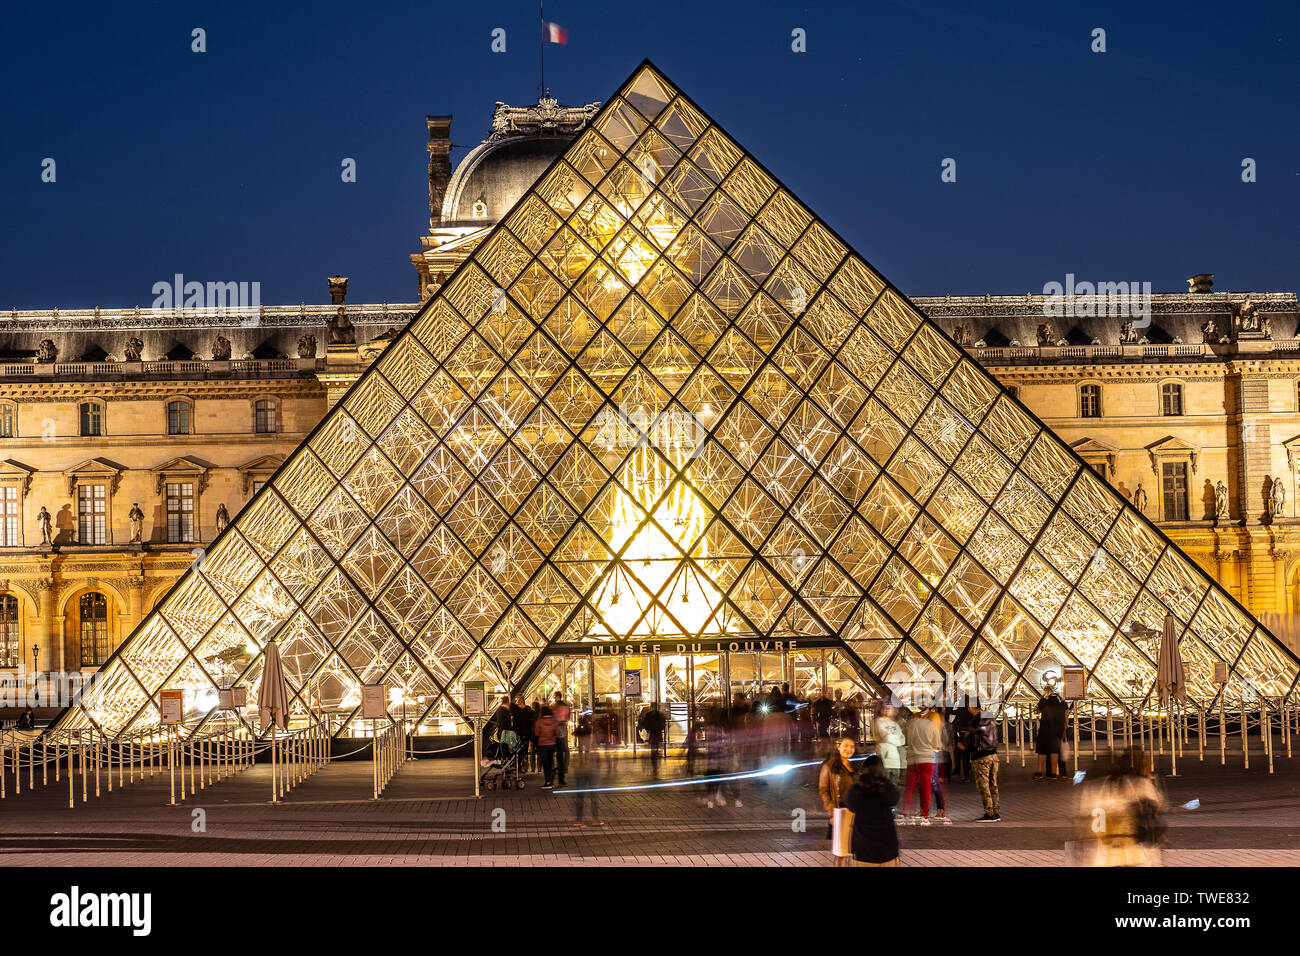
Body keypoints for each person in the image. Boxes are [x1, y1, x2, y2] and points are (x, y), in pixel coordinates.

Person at [1073, 748, 1165, 866]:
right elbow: (1155, 809)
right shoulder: (1139, 784)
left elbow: (1088, 820)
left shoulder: (1096, 789)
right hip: (1130, 850)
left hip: (1112, 851)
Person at [844, 754, 901, 866]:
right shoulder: (886, 789)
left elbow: (850, 805)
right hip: (887, 849)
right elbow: (895, 797)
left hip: (863, 849)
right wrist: (884, 780)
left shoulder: (855, 791)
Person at [818, 734, 858, 866]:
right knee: (841, 853)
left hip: (855, 813)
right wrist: (831, 813)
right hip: (840, 813)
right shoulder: (829, 766)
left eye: (852, 746)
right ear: (838, 746)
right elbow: (824, 790)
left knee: (852, 852)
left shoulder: (854, 766)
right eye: (846, 746)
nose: (849, 749)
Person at [900, 705, 942, 825]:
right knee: (926, 788)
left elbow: (905, 739)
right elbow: (937, 744)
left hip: (913, 759)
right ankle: (925, 816)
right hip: (927, 759)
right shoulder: (932, 725)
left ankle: (904, 814)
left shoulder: (910, 724)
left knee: (909, 787)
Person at [969, 704, 1001, 822]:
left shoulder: (976, 720)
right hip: (994, 755)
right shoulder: (989, 716)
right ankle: (996, 811)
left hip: (982, 755)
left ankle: (989, 813)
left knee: (983, 786)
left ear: (971, 707)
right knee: (993, 785)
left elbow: (974, 735)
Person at [1035, 685, 1069, 779]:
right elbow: (1066, 715)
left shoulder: (1044, 700)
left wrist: (1040, 700)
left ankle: (1038, 773)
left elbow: (1036, 711)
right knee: (1054, 751)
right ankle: (1053, 774)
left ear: (1046, 691)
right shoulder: (1062, 701)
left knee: (1042, 751)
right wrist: (1065, 728)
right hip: (1058, 729)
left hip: (1045, 729)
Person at [871, 701, 906, 786]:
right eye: (889, 708)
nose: (892, 710)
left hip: (896, 761)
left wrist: (889, 737)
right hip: (884, 760)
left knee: (894, 787)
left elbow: (902, 740)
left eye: (893, 708)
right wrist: (892, 738)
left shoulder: (895, 724)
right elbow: (884, 736)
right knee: (883, 786)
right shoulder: (878, 722)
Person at [534, 705, 559, 789]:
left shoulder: (539, 722)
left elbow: (537, 733)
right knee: (551, 762)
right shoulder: (554, 721)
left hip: (542, 745)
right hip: (552, 744)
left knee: (545, 764)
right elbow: (557, 732)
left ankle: (548, 781)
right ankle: (551, 780)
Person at [637, 704, 666, 772]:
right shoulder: (659, 715)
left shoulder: (649, 714)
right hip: (656, 732)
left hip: (653, 732)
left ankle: (654, 759)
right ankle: (655, 759)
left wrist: (647, 729)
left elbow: (645, 723)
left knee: (653, 747)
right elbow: (663, 723)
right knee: (655, 746)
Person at [510, 693, 535, 773]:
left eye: (520, 698)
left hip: (525, 732)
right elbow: (511, 704)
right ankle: (518, 765)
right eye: (517, 699)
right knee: (517, 749)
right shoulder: (515, 708)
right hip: (517, 732)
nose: (518, 700)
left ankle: (524, 765)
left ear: (523, 699)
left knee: (524, 749)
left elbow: (532, 718)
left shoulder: (527, 709)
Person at [551, 691, 571, 787]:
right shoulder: (566, 707)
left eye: (555, 697)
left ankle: (557, 771)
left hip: (556, 732)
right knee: (565, 749)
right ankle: (564, 767)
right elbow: (568, 718)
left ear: (557, 697)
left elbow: (553, 719)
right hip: (564, 730)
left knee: (558, 753)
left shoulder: (555, 707)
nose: (554, 699)